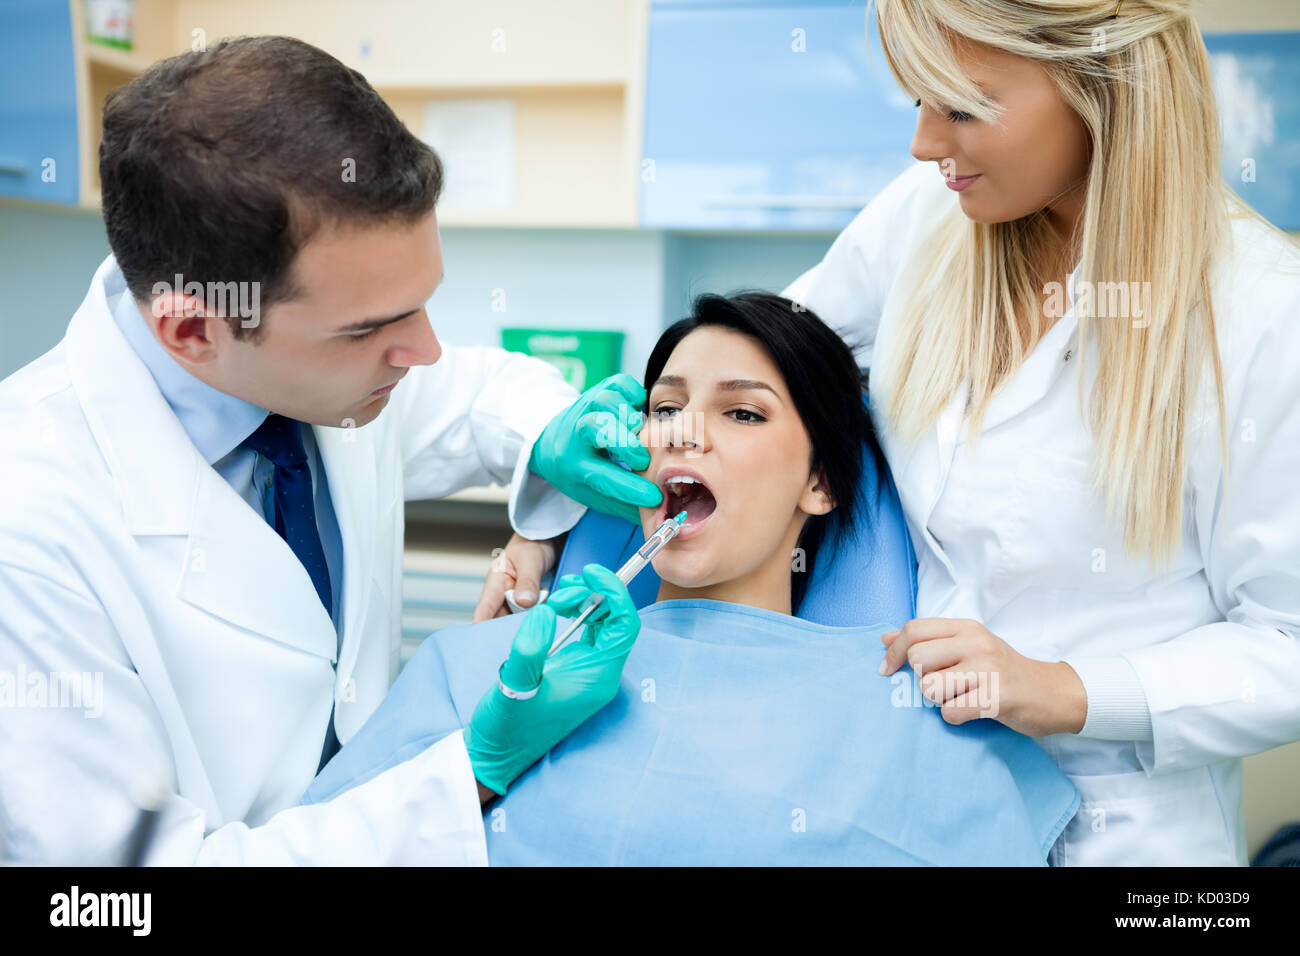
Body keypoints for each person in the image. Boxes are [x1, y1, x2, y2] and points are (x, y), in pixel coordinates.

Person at [481, 0, 1300, 866]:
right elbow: (760, 372)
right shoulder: (928, 218)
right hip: (902, 784)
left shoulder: (1260, 314)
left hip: (1122, 836)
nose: (922, 144)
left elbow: (1287, 644)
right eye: (917, 100)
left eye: (961, 106)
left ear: (1098, 83)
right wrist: (555, 515)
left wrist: (1065, 690)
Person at [0, 36, 661, 865]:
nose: (422, 350)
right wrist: (473, 773)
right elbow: (117, 896)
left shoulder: (306, 369)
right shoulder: (26, 530)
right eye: (370, 327)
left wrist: (553, 443)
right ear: (194, 329)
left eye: (421, 304)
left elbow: (479, 394)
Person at [305, 293, 1081, 865]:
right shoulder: (481, 670)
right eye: (664, 407)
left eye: (743, 414)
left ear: (820, 485)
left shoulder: (915, 710)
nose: (684, 431)